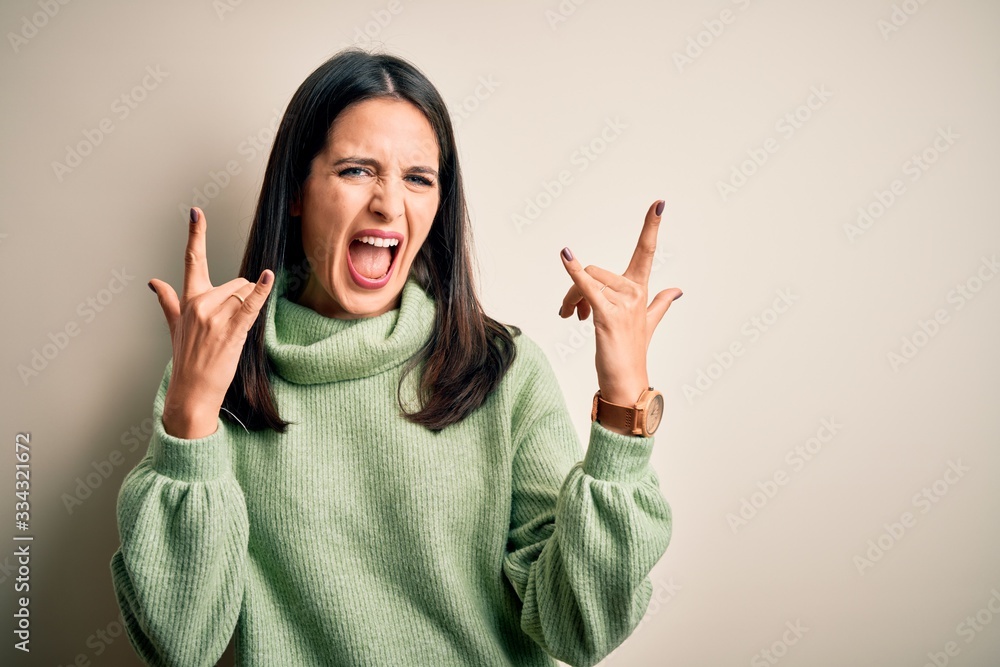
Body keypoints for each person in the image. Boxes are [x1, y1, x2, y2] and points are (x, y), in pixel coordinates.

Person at [109, 47, 683, 667]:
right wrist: (191, 414)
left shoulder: (503, 370)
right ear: (297, 191)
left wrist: (624, 406)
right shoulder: (215, 372)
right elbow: (181, 643)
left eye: (418, 178)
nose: (389, 203)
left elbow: (581, 630)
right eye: (356, 170)